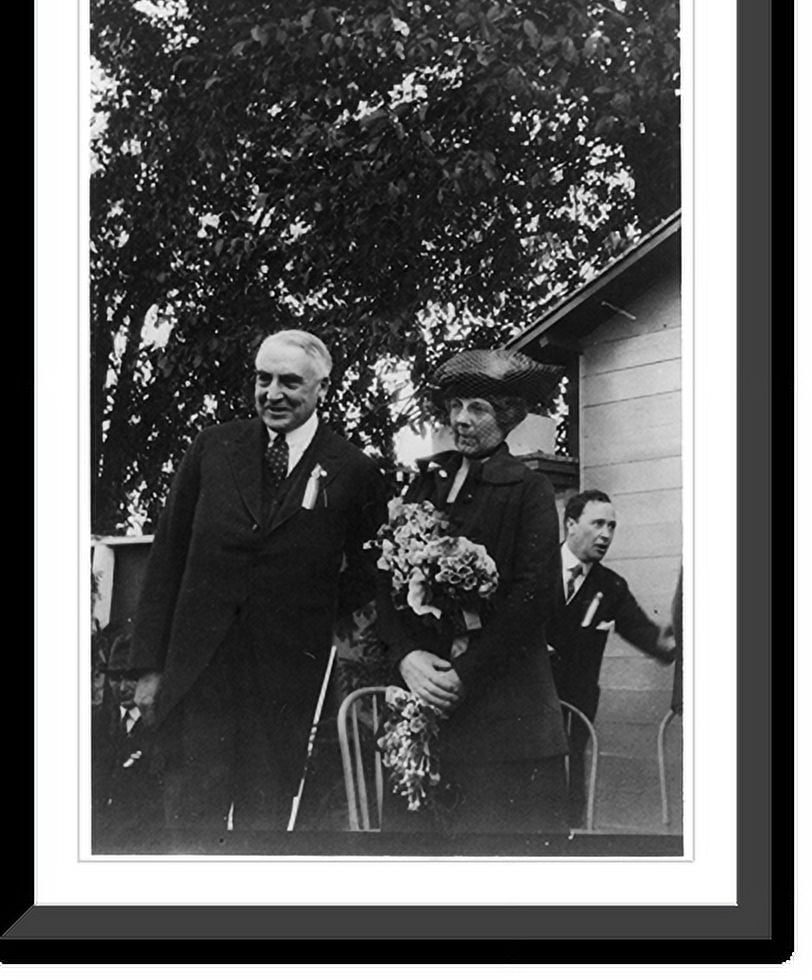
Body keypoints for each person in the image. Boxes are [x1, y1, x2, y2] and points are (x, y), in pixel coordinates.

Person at [129, 329, 386, 834]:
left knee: (264, 825)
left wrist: (319, 614)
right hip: (200, 671)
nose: (272, 393)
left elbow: (369, 566)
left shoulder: (353, 470)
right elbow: (167, 557)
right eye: (263, 379)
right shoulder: (213, 448)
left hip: (285, 679)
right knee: (190, 821)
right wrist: (148, 667)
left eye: (289, 382)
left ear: (322, 390)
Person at [376, 348, 569, 835]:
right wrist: (405, 658)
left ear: (506, 417)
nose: (461, 419)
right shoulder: (424, 485)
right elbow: (386, 583)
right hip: (422, 709)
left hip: (504, 723)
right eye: (456, 405)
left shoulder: (529, 490)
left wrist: (464, 675)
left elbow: (534, 598)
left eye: (477, 408)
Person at [546, 489, 678, 826]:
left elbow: (653, 639)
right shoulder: (533, 570)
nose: (606, 534)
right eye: (598, 524)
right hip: (525, 707)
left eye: (612, 526)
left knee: (570, 796)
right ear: (571, 524)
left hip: (576, 714)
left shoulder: (611, 587)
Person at [92, 633, 163, 851]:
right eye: (115, 677)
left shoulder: (160, 730)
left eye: (130, 677)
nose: (122, 688)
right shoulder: (95, 724)